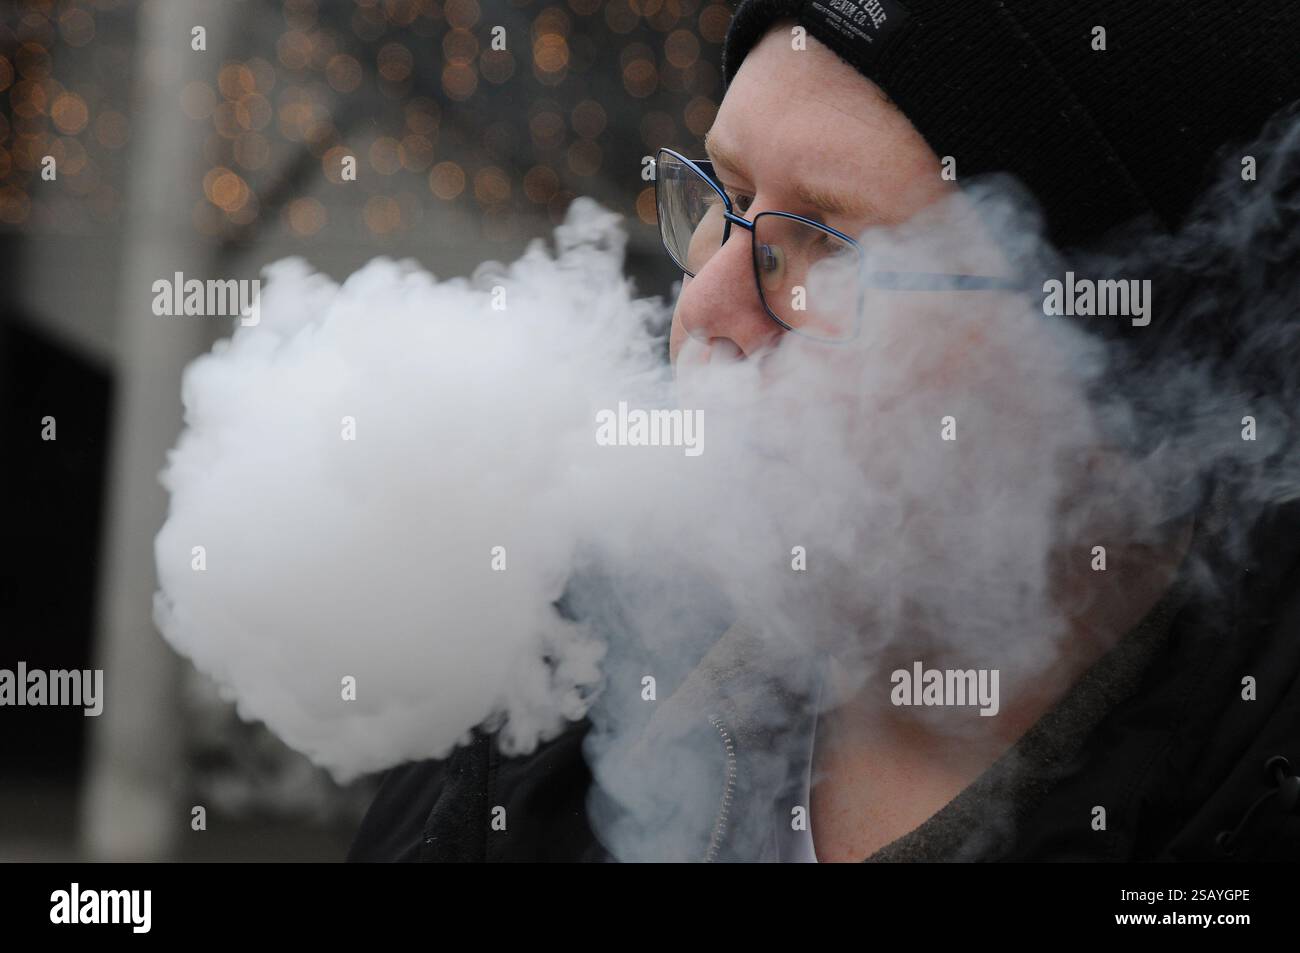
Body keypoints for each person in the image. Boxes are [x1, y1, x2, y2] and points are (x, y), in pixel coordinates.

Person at [348, 0, 1300, 862]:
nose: (707, 303)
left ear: (1117, 361)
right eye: (726, 195)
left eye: (829, 246)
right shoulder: (541, 665)